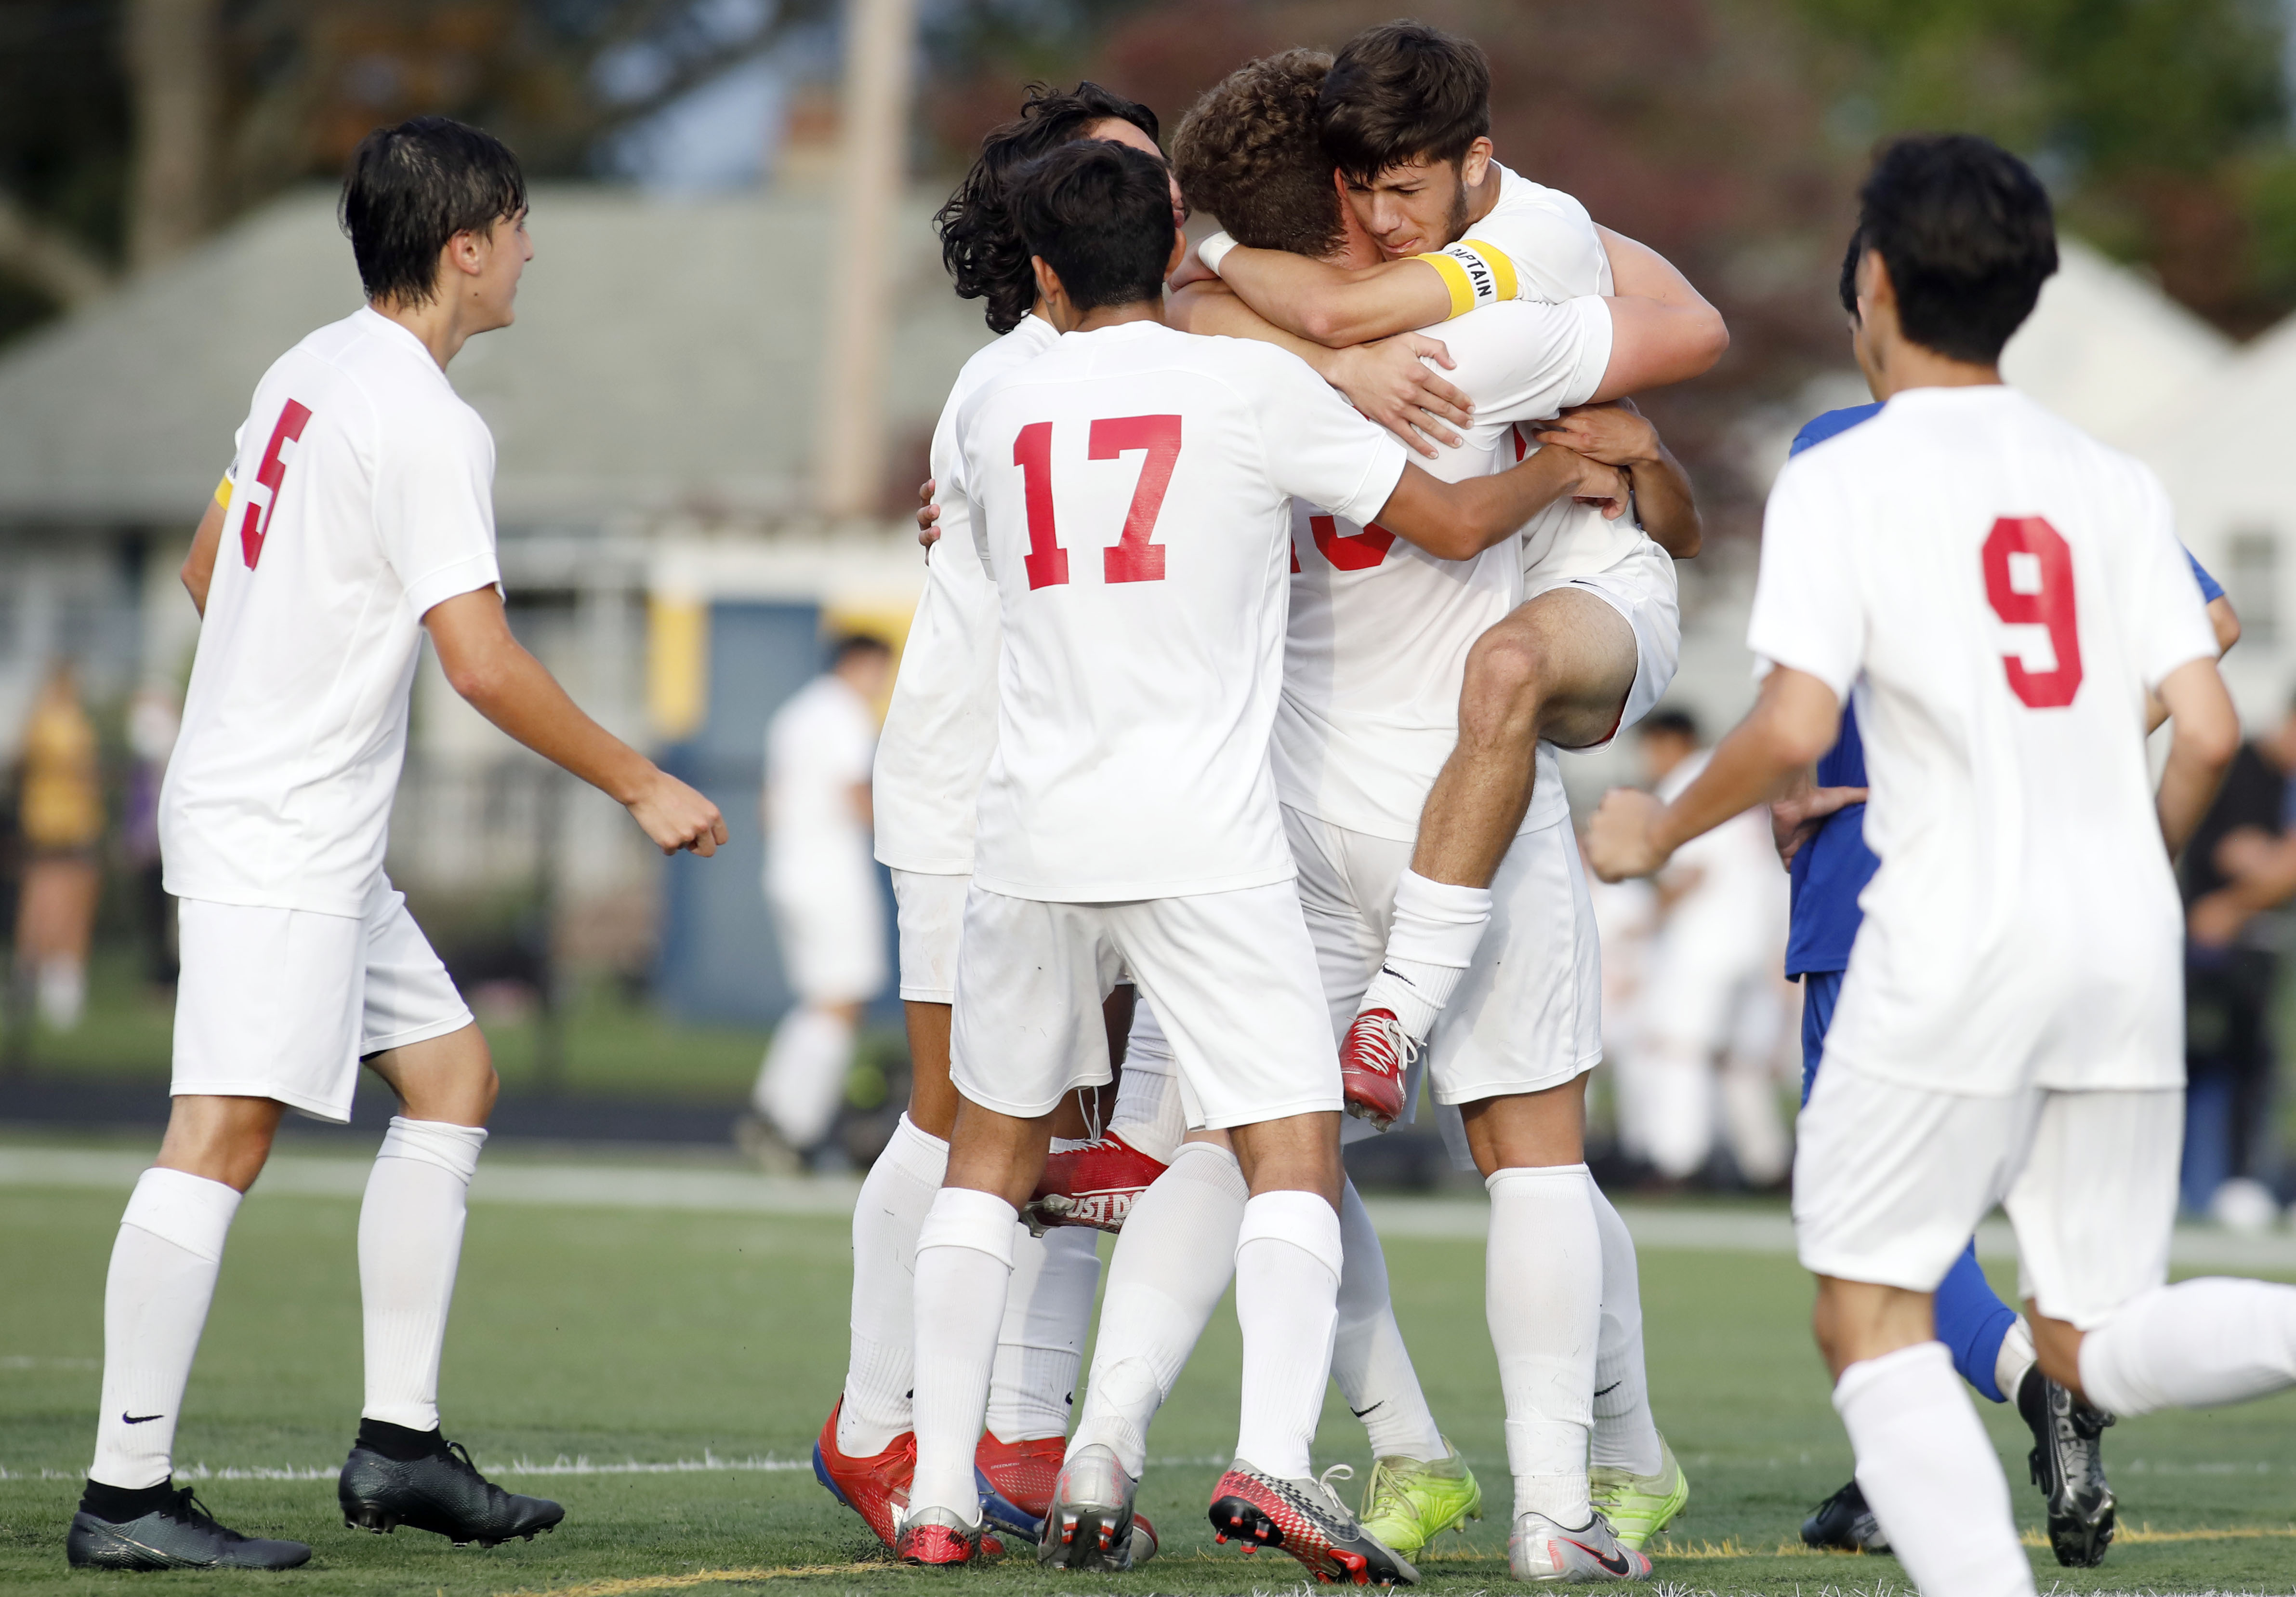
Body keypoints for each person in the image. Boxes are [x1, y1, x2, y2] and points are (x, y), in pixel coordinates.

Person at [902, 136, 1643, 1580]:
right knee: (1291, 1151)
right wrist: (1558, 469)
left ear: (1042, 274)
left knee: (985, 1157)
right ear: (1171, 238)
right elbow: (1436, 515)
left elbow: (974, 562)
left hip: (1026, 831)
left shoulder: (994, 402)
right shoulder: (1238, 386)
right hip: (1202, 835)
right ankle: (1276, 1460)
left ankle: (937, 1494)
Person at [1587, 133, 2296, 1597]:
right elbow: (2212, 714)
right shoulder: (2102, 474)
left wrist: (1652, 828)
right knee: (2088, 1333)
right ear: (2029, 289)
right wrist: (2113, 847)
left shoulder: (1843, 466)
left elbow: (1789, 722)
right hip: (2111, 940)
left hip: (1935, 919)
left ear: (1881, 287)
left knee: (1866, 1311)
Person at [65, 115, 725, 1572]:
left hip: (288, 817)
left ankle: (400, 1447)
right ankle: (123, 1498)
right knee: (219, 1134)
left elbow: (199, 565)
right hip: (281, 828)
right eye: (520, 226)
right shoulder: (428, 417)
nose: (533, 252)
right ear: (465, 245)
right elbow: (482, 664)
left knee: (452, 1073)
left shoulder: (305, 366)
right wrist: (638, 782)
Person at [1773, 229, 2244, 1566]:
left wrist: (1752, 791)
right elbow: (2207, 636)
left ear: (1869, 299)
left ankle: (2029, 1389)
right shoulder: (2070, 466)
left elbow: (1797, 685)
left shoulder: (1835, 452)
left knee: (1865, 1209)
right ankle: (1895, 1463)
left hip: (1880, 869)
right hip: (2050, 893)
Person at [1184, 22, 1729, 1111]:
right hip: (1454, 686)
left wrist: (1207, 253)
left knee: (1503, 670)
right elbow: (1244, 314)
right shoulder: (1283, 328)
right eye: (1360, 191)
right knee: (1327, 1151)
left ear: (1471, 162)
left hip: (1581, 602)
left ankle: (1396, 1012)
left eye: (1402, 188)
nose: (1384, 220)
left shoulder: (1511, 282)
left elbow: (1700, 340)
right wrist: (1318, 349)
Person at [814, 80, 1190, 1557]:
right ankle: (871, 1420)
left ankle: (1023, 1435)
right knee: (962, 1117)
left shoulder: (1137, 353)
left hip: (1089, 792)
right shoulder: (1018, 377)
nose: (1164, 209)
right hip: (977, 790)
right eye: (1127, 182)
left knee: (1072, 1122)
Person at [1615, 711, 1792, 1189]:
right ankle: (1768, 1164)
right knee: (1740, 1060)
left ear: (1671, 741)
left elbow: (1693, 870)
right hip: (1753, 940)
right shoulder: (1736, 776)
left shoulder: (1689, 778)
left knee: (1680, 1048)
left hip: (1706, 940)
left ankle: (1679, 1160)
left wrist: (1650, 913)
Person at [741, 632, 893, 1171]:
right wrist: (905, 844)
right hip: (830, 871)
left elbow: (768, 799)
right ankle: (794, 1128)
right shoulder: (843, 712)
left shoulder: (795, 712)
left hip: (788, 867)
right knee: (843, 998)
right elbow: (854, 791)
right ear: (858, 662)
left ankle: (772, 1108)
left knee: (820, 999)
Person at [2177, 695, 2296, 1221]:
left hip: (2247, 956)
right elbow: (2248, 858)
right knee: (2187, 1066)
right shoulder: (2246, 766)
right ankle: (2203, 1185)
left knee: (2253, 1070)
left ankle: (2240, 1183)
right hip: (2199, 957)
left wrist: (2233, 904)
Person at [14, 662, 104, 1031]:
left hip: (70, 829)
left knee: (67, 909)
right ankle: (42, 986)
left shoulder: (60, 724)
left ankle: (57, 988)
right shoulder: (53, 726)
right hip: (54, 832)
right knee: (47, 908)